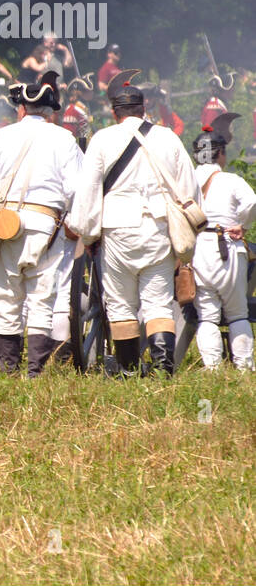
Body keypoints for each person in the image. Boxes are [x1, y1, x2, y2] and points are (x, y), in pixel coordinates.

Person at [0, 73, 83, 376]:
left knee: (7, 298)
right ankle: (35, 373)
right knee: (41, 297)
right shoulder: (63, 138)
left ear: (22, 109)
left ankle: (9, 371)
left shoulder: (3, 136)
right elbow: (77, 188)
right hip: (47, 225)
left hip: (4, 225)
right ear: (51, 112)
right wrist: (77, 223)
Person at [69, 73, 201, 376]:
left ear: (115, 113)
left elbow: (88, 190)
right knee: (157, 304)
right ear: (144, 109)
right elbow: (188, 190)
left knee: (120, 304)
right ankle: (163, 371)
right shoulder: (168, 137)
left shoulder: (103, 139)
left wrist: (88, 234)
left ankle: (128, 370)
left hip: (117, 232)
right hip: (158, 229)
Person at [185, 115, 255, 371]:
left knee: (207, 316)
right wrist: (242, 226)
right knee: (237, 312)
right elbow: (251, 203)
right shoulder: (230, 180)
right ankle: (244, 366)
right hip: (227, 246)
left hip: (198, 250)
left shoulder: (187, 182)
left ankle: (213, 368)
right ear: (221, 155)